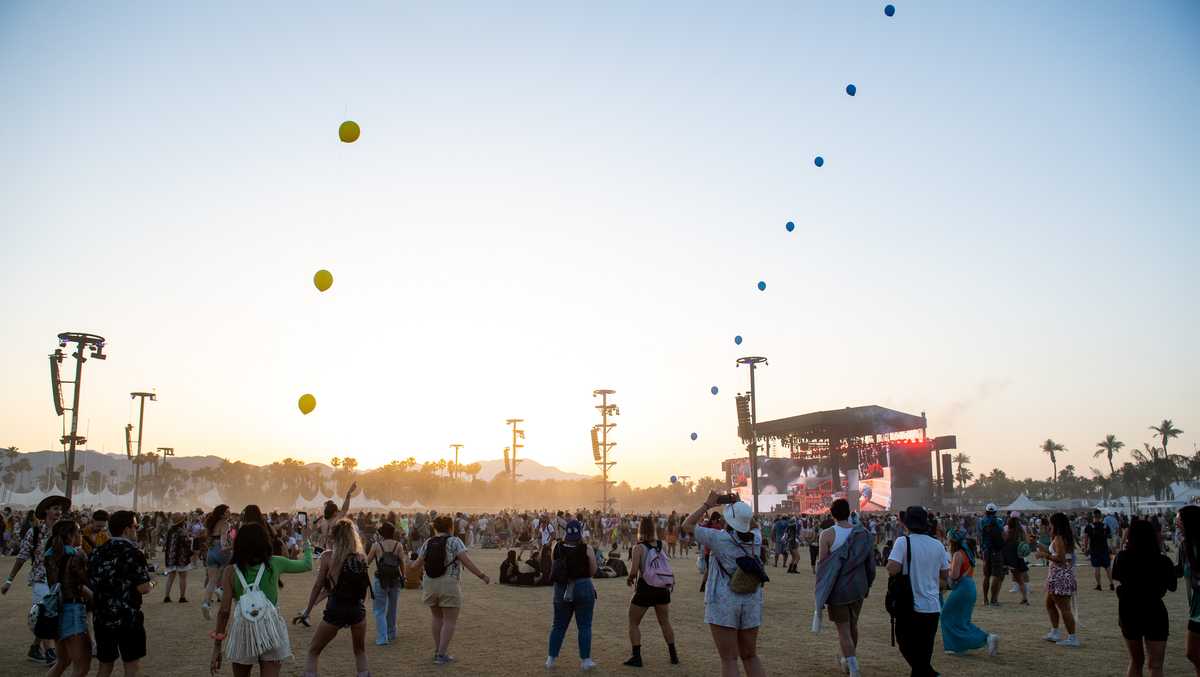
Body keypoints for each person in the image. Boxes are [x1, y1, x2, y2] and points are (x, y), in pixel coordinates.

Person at [210, 521, 313, 676]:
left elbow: (224, 611)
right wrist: (306, 541)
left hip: (243, 630)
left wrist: (217, 646)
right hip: (271, 630)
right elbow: (307, 564)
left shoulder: (230, 571)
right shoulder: (275, 563)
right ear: (265, 542)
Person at [683, 493, 766, 677]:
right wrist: (740, 506)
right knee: (751, 656)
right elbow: (752, 524)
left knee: (729, 659)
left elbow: (687, 525)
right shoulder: (757, 538)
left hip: (723, 600)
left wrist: (707, 504)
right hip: (751, 599)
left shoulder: (718, 539)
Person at [414, 514, 491, 665]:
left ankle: (438, 650)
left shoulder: (428, 542)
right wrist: (482, 576)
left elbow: (416, 564)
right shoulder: (455, 541)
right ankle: (442, 655)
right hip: (449, 582)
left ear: (435, 527)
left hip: (430, 582)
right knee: (449, 621)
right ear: (451, 527)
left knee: (437, 618)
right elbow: (466, 562)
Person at [2, 494, 68, 665]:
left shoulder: (63, 532)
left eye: (60, 509)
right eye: (55, 509)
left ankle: (34, 647)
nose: (58, 512)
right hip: (40, 578)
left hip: (58, 580)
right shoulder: (35, 531)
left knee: (50, 614)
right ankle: (50, 651)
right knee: (46, 611)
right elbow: (22, 556)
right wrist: (9, 580)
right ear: (46, 511)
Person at [299, 518, 370, 677]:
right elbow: (363, 587)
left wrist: (308, 610)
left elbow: (318, 586)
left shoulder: (328, 557)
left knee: (314, 650)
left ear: (334, 537)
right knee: (359, 651)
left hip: (335, 608)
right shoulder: (360, 557)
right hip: (357, 609)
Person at [814, 499, 876, 677]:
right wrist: (868, 584)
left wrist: (820, 590)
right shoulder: (862, 534)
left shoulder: (827, 535)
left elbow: (823, 566)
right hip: (858, 587)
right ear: (849, 512)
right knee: (853, 626)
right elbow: (870, 564)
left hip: (837, 588)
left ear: (831, 514)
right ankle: (848, 660)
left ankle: (853, 667)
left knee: (843, 630)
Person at [887, 506, 950, 677]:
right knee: (924, 650)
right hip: (932, 605)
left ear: (906, 523)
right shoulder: (937, 545)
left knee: (905, 642)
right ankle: (927, 672)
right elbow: (945, 576)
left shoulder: (903, 542)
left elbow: (892, 568)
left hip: (909, 605)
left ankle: (929, 673)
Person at [91, 510, 154, 677]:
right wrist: (153, 582)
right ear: (127, 529)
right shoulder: (134, 553)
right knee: (131, 666)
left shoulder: (98, 551)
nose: (137, 529)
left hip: (102, 617)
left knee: (104, 666)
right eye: (135, 526)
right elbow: (144, 588)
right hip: (128, 618)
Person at [1114, 518, 1176, 677]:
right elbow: (1173, 586)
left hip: (1129, 611)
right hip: (1155, 611)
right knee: (1155, 665)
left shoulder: (1122, 557)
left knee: (1135, 661)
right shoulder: (1162, 560)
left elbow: (1117, 579)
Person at [623, 515, 678, 668]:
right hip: (662, 588)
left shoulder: (638, 548)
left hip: (645, 589)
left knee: (633, 622)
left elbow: (634, 572)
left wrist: (629, 578)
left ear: (640, 530)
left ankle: (636, 657)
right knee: (665, 622)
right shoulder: (663, 545)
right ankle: (673, 655)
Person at [546, 519, 599, 670]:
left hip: (561, 588)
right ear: (580, 532)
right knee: (584, 626)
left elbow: (554, 566)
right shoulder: (586, 548)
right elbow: (593, 570)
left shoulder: (556, 546)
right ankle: (585, 660)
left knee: (558, 625)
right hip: (582, 586)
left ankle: (551, 659)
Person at [941, 528, 999, 657]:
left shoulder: (957, 554)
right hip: (969, 586)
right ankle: (962, 645)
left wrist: (947, 571)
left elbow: (955, 575)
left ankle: (983, 638)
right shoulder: (968, 553)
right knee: (962, 620)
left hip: (961, 588)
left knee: (946, 615)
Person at [45, 519, 92, 677]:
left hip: (56, 610)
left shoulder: (50, 554)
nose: (81, 534)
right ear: (70, 535)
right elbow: (85, 582)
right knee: (82, 665)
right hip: (73, 609)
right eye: (78, 531)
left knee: (62, 661)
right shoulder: (77, 555)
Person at [1037, 512, 1079, 647]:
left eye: (1050, 523)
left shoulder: (1059, 538)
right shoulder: (1062, 537)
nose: (1049, 526)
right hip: (1058, 575)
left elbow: (1060, 559)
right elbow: (1056, 554)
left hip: (1059, 576)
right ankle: (1055, 632)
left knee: (1064, 608)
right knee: (1049, 604)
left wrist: (1044, 555)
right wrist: (1039, 545)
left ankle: (1072, 638)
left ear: (1056, 524)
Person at [365, 521, 406, 646]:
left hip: (381, 579)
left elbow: (368, 562)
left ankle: (382, 638)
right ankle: (392, 633)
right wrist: (403, 576)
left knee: (379, 610)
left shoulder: (376, 546)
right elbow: (402, 563)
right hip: (395, 578)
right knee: (392, 608)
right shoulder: (398, 545)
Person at [1175, 505, 1200, 676]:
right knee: (1193, 654)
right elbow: (1177, 572)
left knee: (1192, 652)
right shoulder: (1185, 545)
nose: (1176, 524)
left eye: (1179, 520)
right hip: (1195, 606)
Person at [202, 505, 233, 620]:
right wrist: (232, 546)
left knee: (212, 581)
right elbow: (224, 542)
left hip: (211, 552)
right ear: (222, 514)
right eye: (227, 511)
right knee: (228, 574)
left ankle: (206, 603)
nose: (229, 513)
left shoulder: (212, 523)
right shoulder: (225, 524)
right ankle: (220, 590)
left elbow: (209, 540)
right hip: (221, 551)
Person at [978, 503, 1006, 606]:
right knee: (996, 575)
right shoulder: (999, 521)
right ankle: (993, 600)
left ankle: (985, 599)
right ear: (995, 511)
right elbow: (1003, 534)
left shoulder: (981, 521)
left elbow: (979, 536)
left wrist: (981, 549)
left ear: (986, 511)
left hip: (986, 550)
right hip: (996, 550)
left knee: (986, 576)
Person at [163, 513, 193, 603]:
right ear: (182, 521)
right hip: (181, 557)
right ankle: (182, 597)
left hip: (171, 557)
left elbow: (166, 544)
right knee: (183, 577)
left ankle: (167, 596)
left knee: (170, 577)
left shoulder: (170, 531)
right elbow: (186, 544)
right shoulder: (183, 531)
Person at [1083, 509, 1115, 591]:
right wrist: (1111, 548)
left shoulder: (1089, 526)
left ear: (1093, 516)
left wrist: (1086, 548)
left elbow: (1086, 539)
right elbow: (1110, 538)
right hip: (1104, 549)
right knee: (1108, 567)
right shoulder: (1105, 526)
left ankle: (1099, 585)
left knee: (1097, 568)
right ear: (1100, 516)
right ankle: (1111, 584)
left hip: (1094, 550)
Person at [1003, 516, 1031, 605]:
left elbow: (1004, 542)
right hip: (1019, 558)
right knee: (1020, 579)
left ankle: (1025, 598)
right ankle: (1025, 597)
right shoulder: (1021, 532)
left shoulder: (1009, 532)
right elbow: (1027, 542)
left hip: (1010, 558)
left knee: (1019, 579)